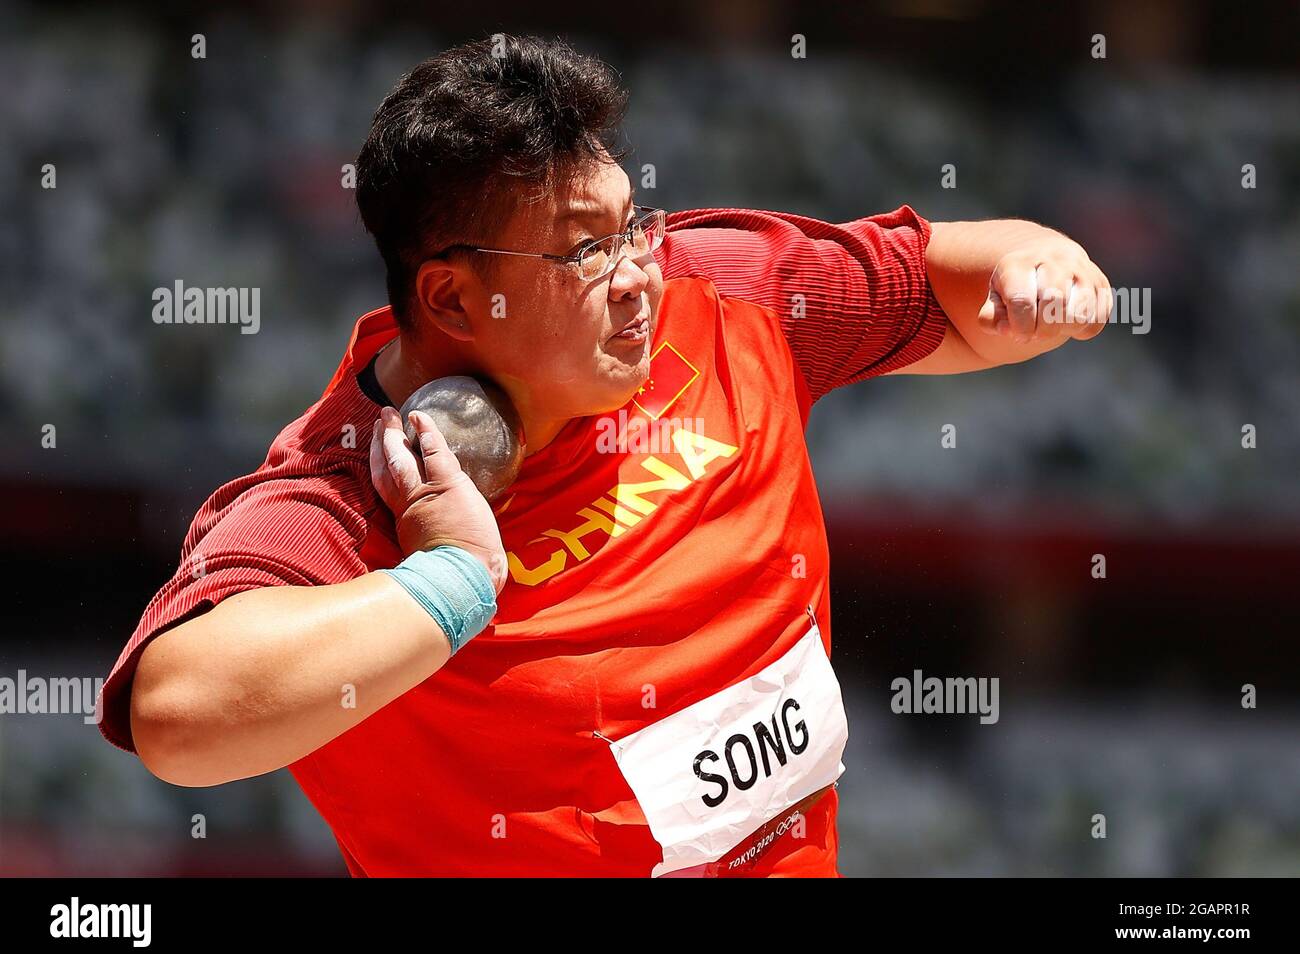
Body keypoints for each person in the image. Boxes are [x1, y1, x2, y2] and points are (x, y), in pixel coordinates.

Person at [98, 35, 1109, 876]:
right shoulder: (351, 486)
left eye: (631, 229)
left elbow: (948, 289)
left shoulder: (719, 293)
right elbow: (178, 719)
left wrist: (1040, 272)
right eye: (583, 251)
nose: (635, 278)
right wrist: (451, 580)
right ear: (452, 298)